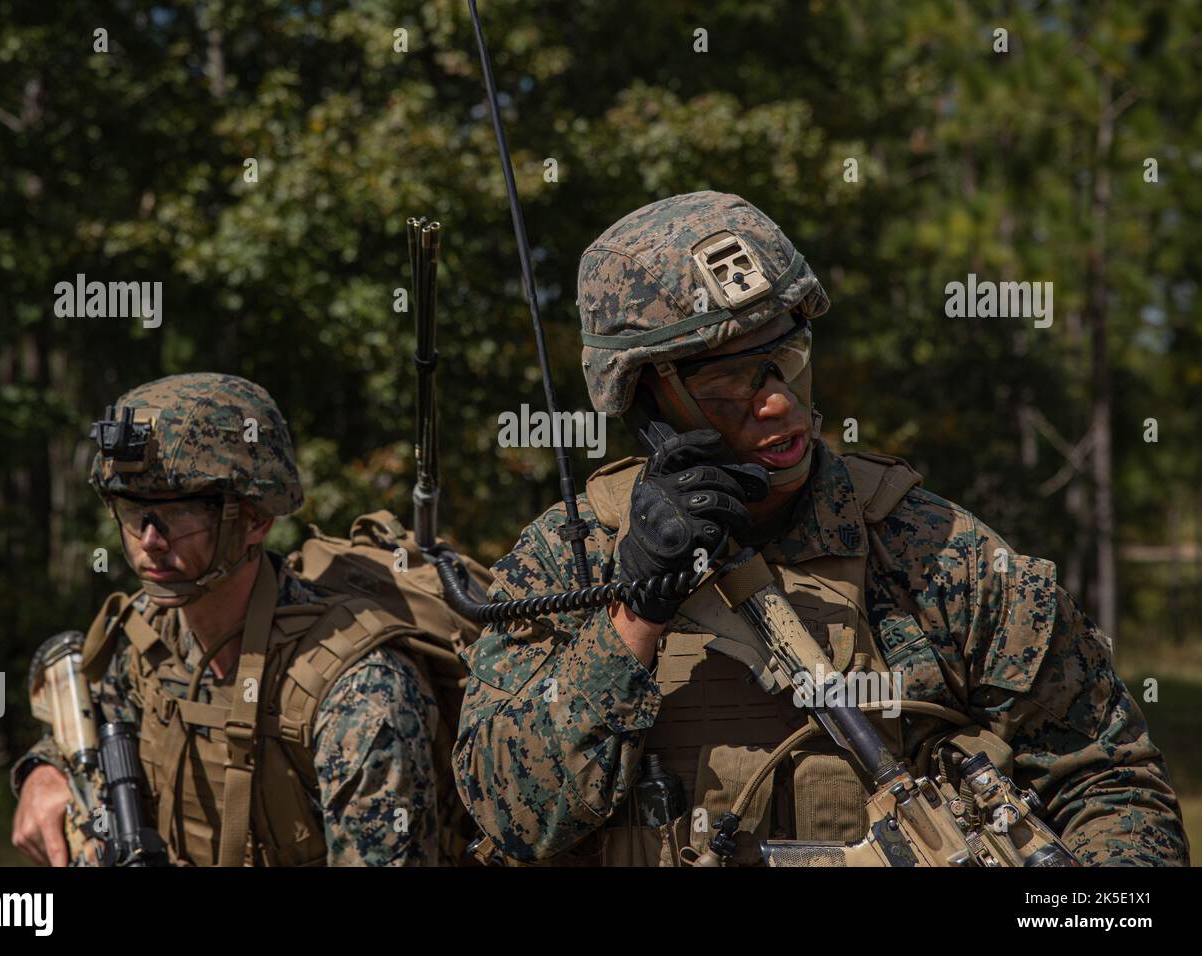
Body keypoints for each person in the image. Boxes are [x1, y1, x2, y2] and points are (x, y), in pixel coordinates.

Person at [452, 191, 1189, 866]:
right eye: (728, 379)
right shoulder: (568, 560)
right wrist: (636, 613)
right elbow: (514, 814)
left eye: (785, 359)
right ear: (647, 397)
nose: (776, 403)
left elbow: (1109, 781)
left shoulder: (937, 554)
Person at [11, 373, 439, 866]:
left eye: (177, 514)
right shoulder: (147, 639)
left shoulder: (359, 693)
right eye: (133, 512)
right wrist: (42, 773)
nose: (149, 540)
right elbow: (85, 728)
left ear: (256, 519)